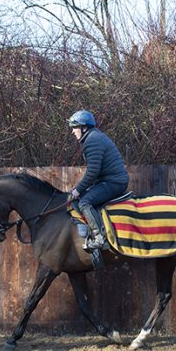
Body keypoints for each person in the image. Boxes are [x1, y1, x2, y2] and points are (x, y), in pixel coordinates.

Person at [67, 110, 129, 268]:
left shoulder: (92, 140)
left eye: (75, 127)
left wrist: (77, 190)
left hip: (114, 183)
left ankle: (100, 238)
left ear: (84, 128)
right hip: (108, 180)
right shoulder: (93, 137)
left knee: (85, 202)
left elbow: (92, 172)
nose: (73, 131)